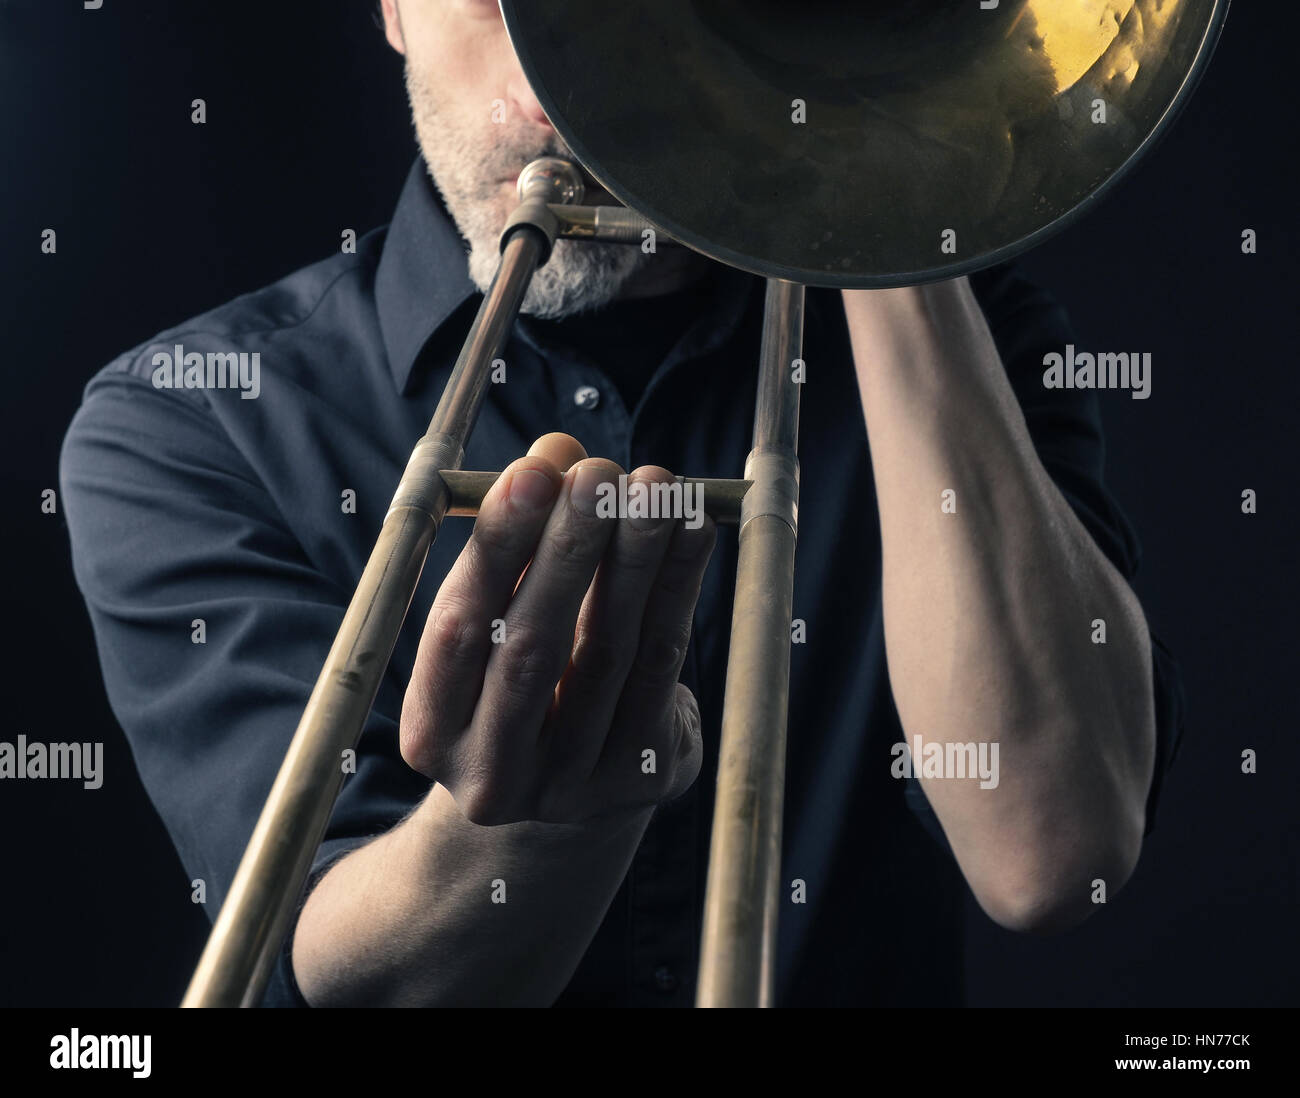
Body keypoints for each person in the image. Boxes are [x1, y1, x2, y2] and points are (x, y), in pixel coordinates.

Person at [59, 0, 1183, 1007]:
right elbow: (338, 969)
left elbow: (1049, 849)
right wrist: (544, 831)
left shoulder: (973, 335)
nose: (555, 105)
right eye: (505, 7)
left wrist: (868, 181)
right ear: (393, 8)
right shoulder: (196, 422)